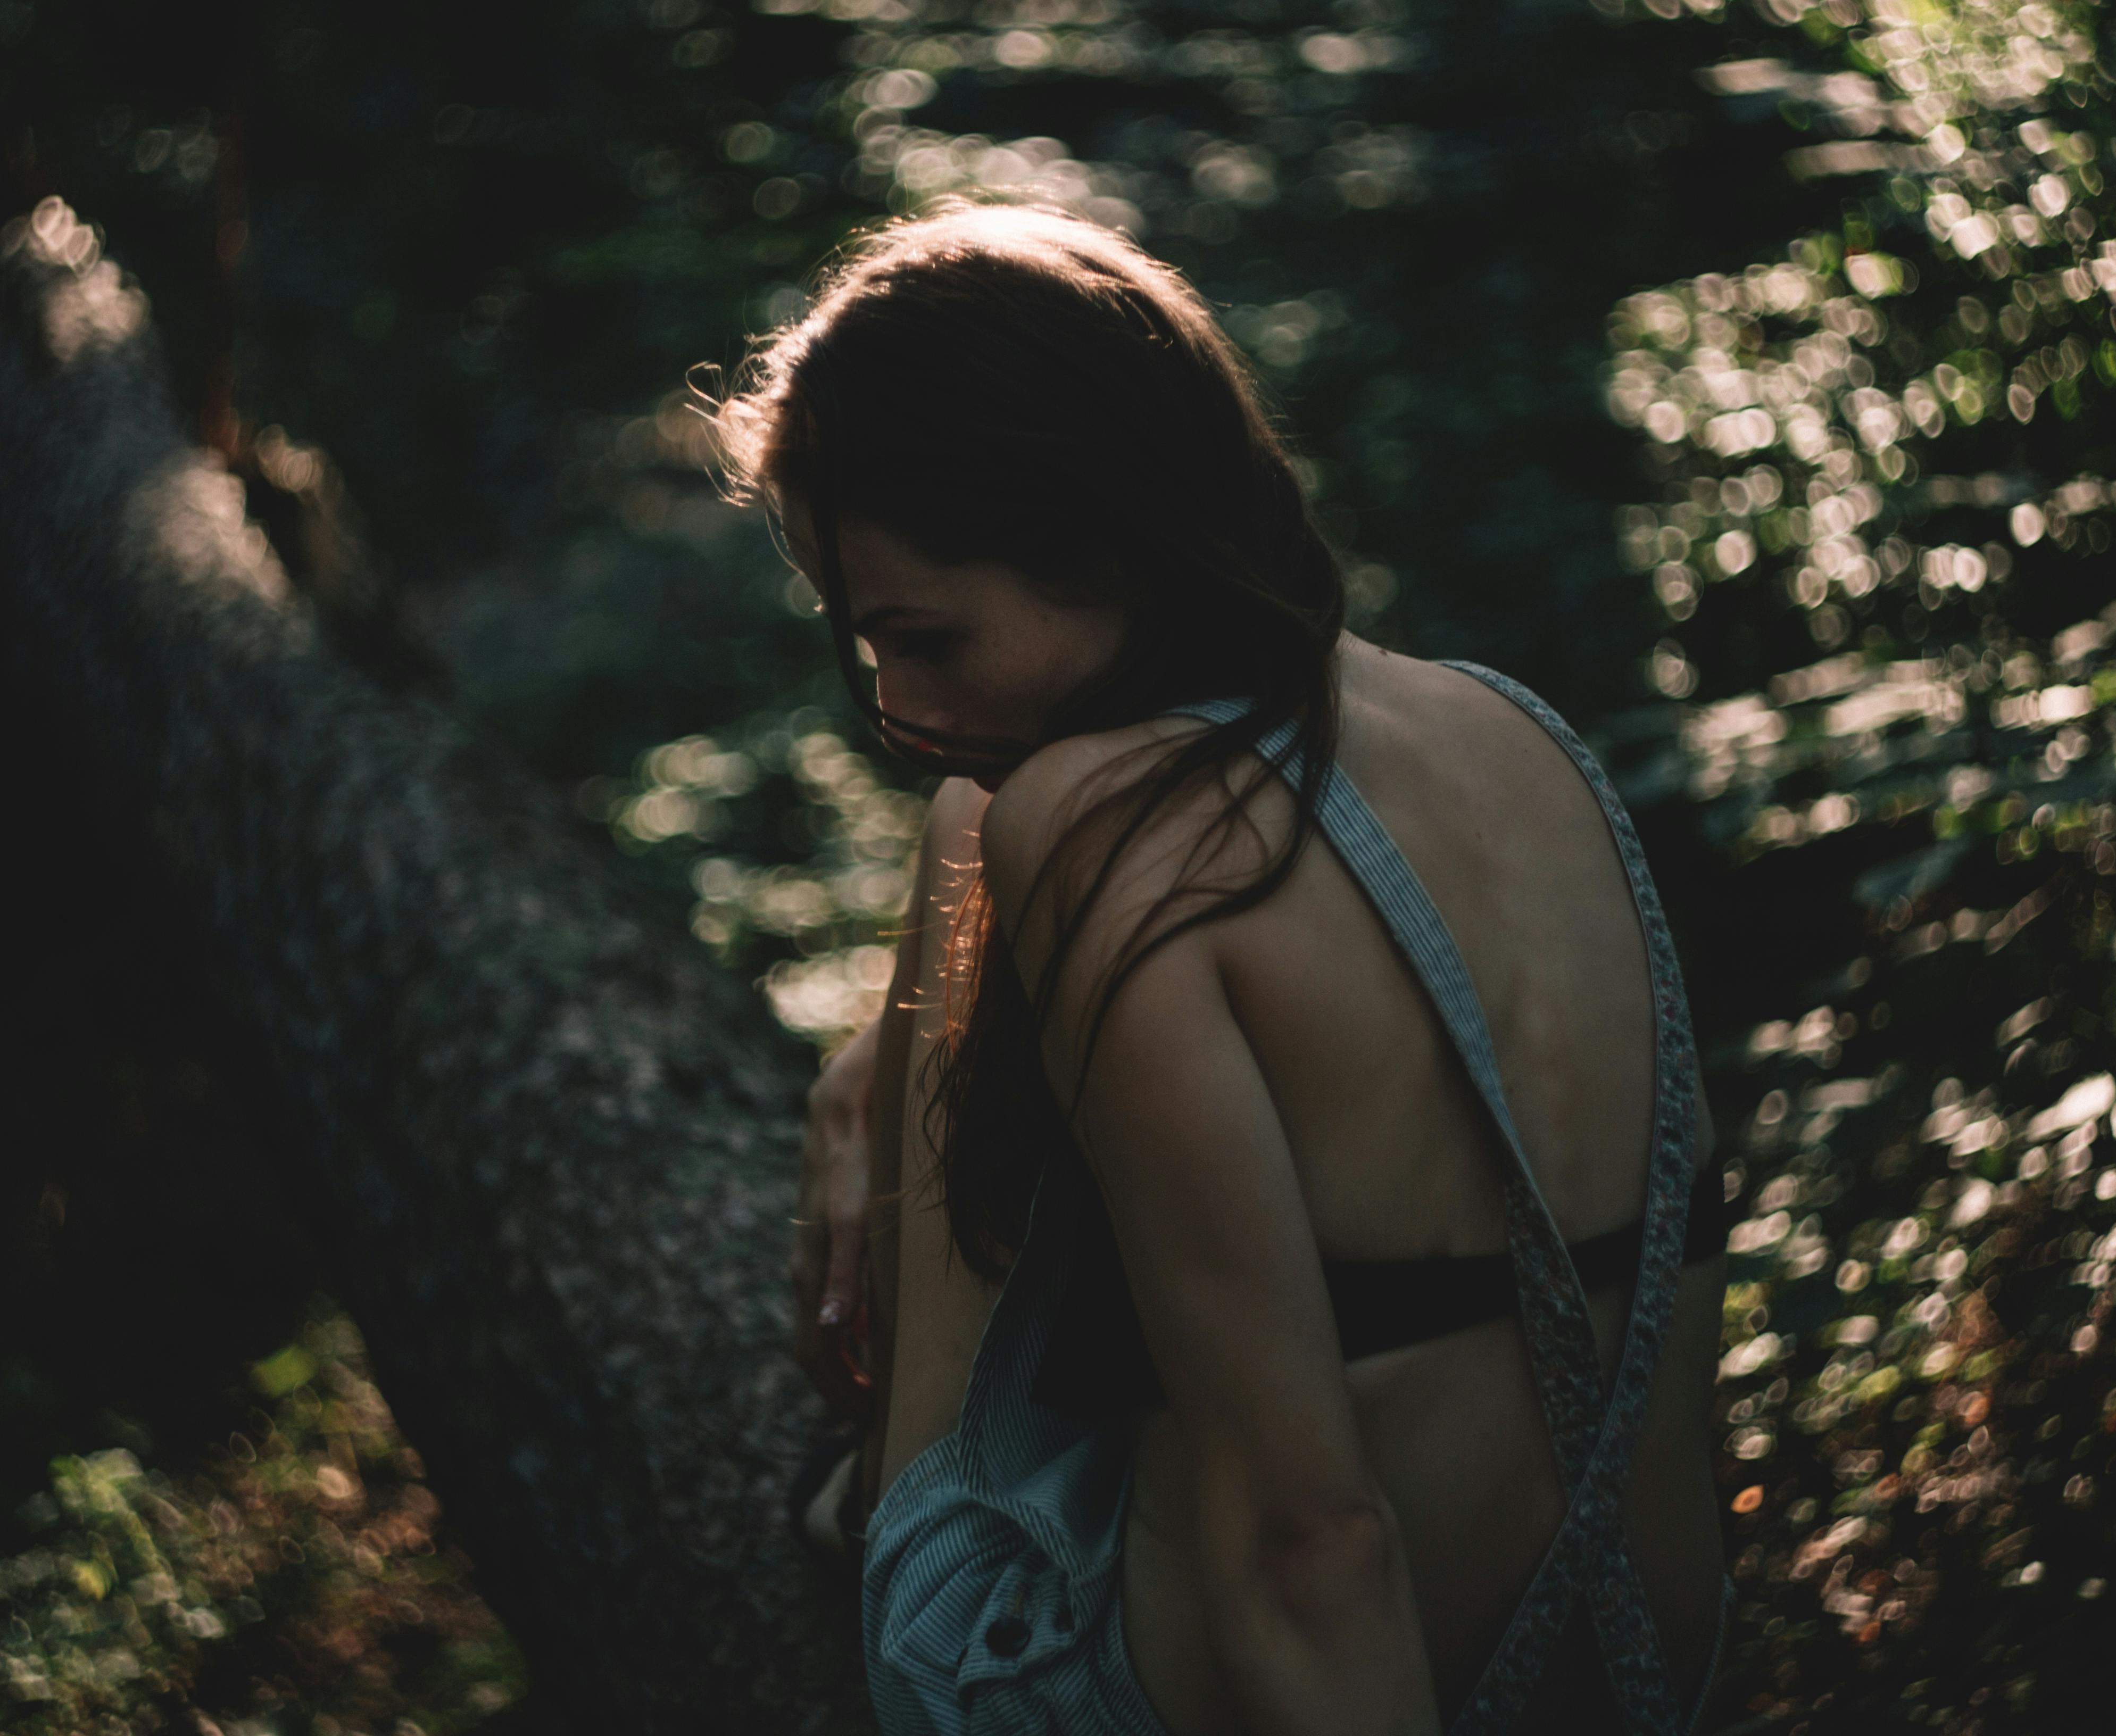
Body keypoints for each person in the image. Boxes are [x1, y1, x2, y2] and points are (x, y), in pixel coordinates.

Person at [731, 201, 1731, 1734]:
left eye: (924, 640)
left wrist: (910, 1043)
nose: (900, 708)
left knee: (961, 825)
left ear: (1102, 542)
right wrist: (887, 1059)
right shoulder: (1517, 732)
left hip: (1314, 1683)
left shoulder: (1087, 823)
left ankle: (874, 1500)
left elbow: (1308, 1533)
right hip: (1641, 1673)